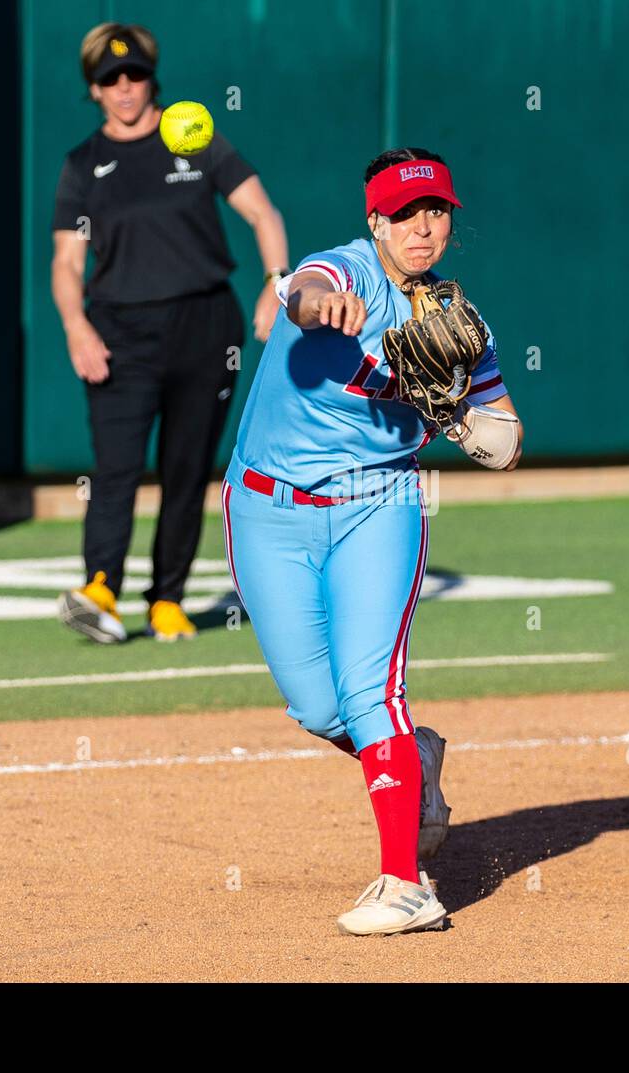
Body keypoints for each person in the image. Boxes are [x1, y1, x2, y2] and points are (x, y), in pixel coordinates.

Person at [220, 148, 524, 935]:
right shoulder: (344, 270)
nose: (422, 229)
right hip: (265, 509)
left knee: (367, 690)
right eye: (404, 215)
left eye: (436, 213)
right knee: (318, 705)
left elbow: (507, 439)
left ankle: (406, 884)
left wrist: (456, 415)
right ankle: (412, 761)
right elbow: (301, 292)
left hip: (376, 505)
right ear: (374, 222)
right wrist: (322, 306)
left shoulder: (462, 324)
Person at [51, 22, 290, 644]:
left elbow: (263, 212)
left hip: (206, 325)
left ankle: (168, 600)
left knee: (186, 468)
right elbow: (67, 261)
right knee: (117, 468)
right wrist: (76, 326)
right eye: (110, 80)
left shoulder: (194, 137)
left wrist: (276, 280)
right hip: (120, 332)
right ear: (93, 90)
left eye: (134, 76)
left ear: (152, 78)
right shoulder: (83, 165)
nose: (125, 89)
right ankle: (100, 588)